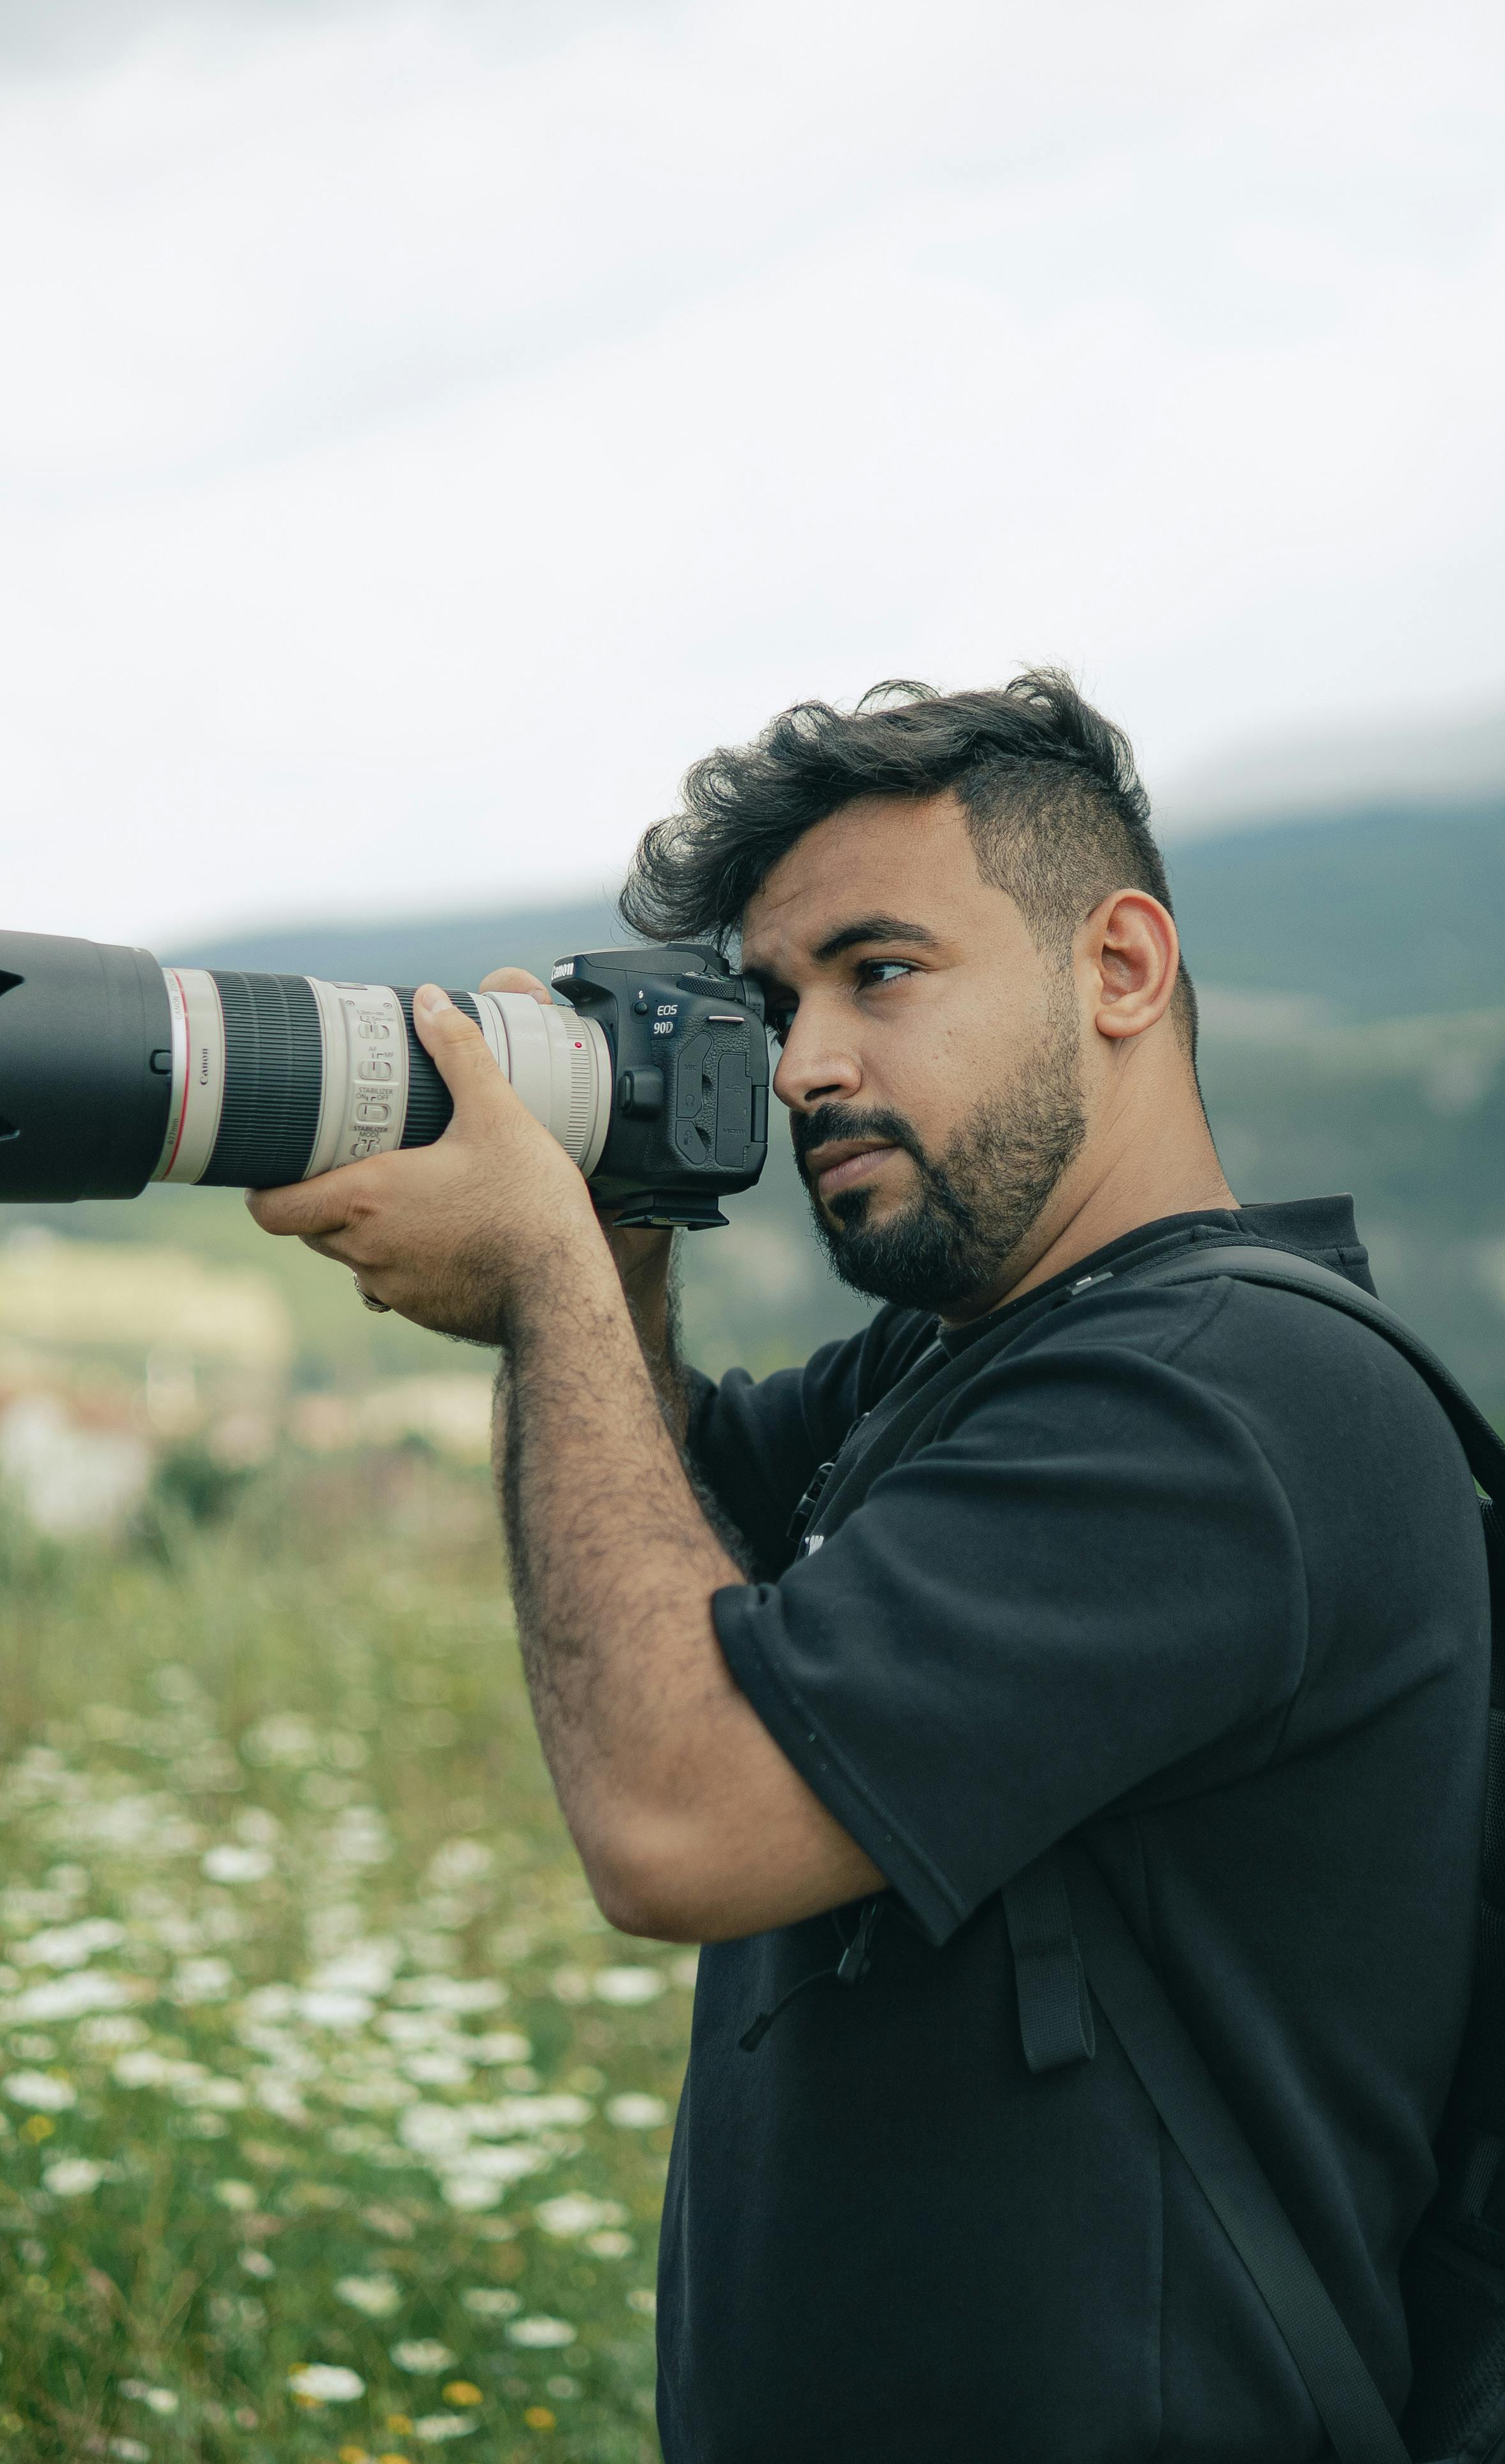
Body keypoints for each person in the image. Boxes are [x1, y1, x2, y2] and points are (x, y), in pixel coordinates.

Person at [246, 671, 1488, 2460]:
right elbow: (662, 1511)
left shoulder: (1219, 1404)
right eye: (771, 1001)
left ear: (1117, 969)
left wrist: (546, 1280)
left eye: (879, 972)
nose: (805, 1059)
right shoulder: (964, 1367)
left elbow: (675, 1808)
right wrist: (608, 1225)